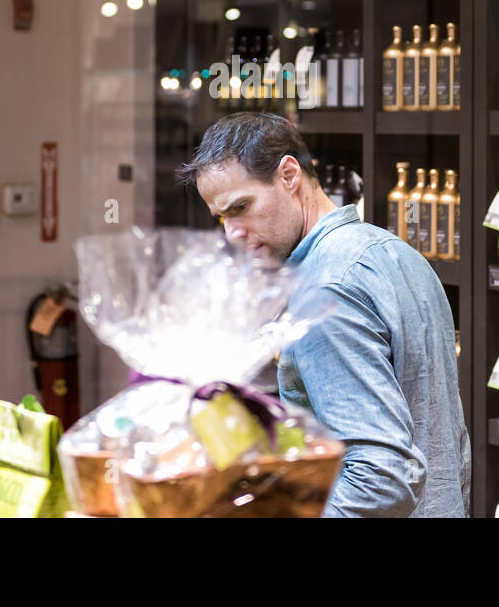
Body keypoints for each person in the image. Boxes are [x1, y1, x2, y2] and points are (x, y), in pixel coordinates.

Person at [176, 112, 470, 517]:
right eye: (222, 218)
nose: (233, 234)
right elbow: (449, 443)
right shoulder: (394, 251)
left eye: (241, 207)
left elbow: (380, 478)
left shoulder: (324, 290)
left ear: (289, 175)